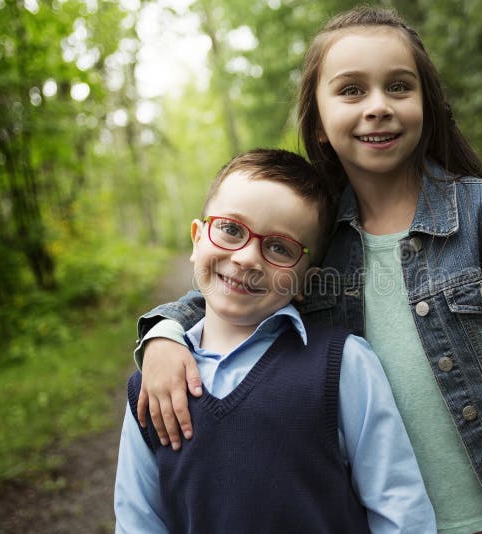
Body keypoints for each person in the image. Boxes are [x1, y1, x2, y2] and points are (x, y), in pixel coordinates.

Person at [134, 7, 482, 534]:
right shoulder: (317, 238)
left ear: (426, 105)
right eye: (351, 90)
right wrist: (165, 333)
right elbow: (236, 286)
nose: (378, 107)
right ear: (321, 123)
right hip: (370, 517)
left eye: (398, 87)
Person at [114, 148, 435, 533]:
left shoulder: (343, 364)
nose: (248, 258)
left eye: (279, 247)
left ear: (304, 281)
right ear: (198, 238)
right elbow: (139, 522)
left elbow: (399, 506)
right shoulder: (151, 385)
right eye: (231, 229)